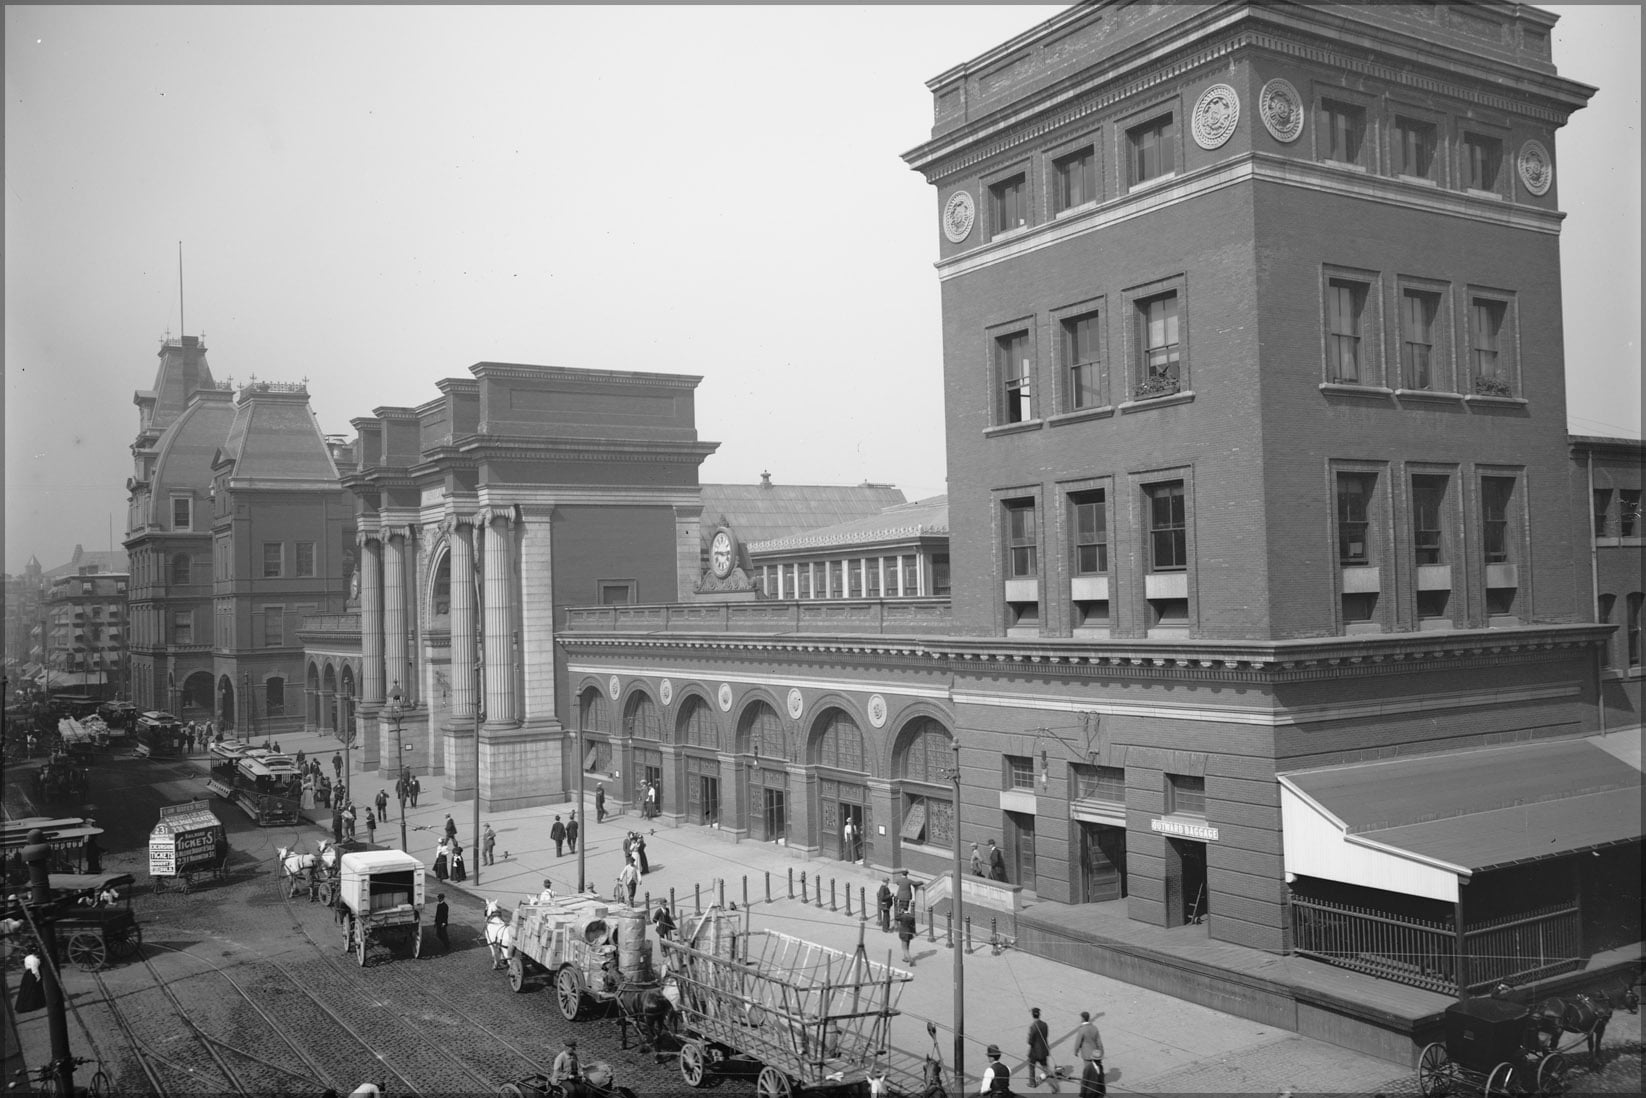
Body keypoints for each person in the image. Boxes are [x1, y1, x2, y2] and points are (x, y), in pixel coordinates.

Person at [1072, 1012, 1105, 1097]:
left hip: (1086, 1054)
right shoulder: (1094, 1028)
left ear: (1083, 1018)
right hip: (1095, 1053)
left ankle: (1085, 1091)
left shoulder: (1082, 1029)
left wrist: (1076, 1051)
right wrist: (1101, 1052)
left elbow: (1078, 1042)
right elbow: (1099, 1042)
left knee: (1087, 1073)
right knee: (1095, 1071)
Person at [1027, 1007, 1054, 1090]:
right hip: (1043, 1050)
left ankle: (1032, 1083)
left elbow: (1030, 1041)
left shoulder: (1033, 1026)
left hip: (1034, 1052)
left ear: (1032, 1015)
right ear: (1039, 1015)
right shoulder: (1044, 1024)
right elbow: (1046, 1035)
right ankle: (1053, 1086)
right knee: (1045, 1068)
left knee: (1031, 1067)